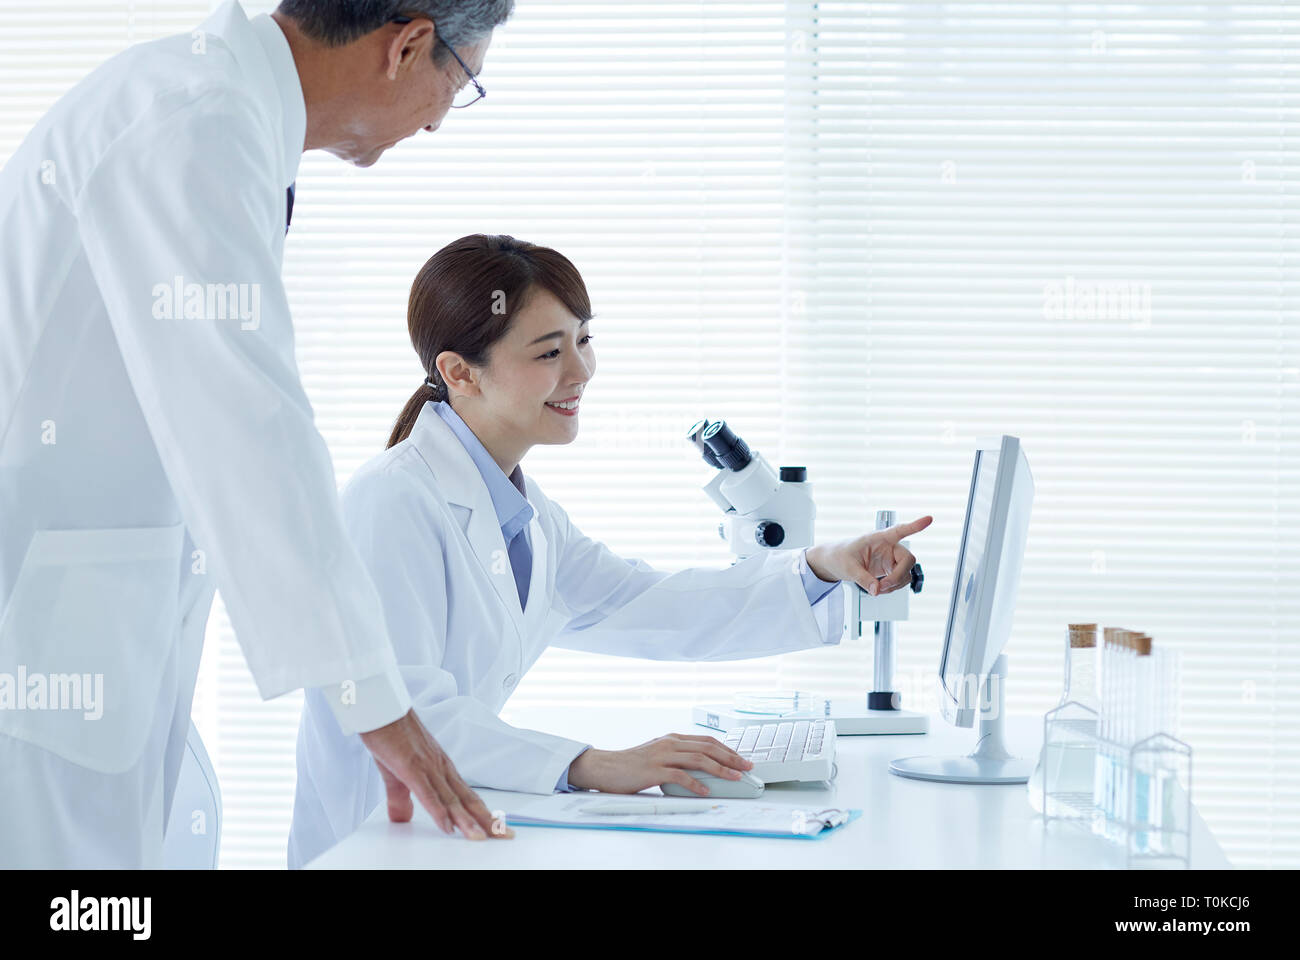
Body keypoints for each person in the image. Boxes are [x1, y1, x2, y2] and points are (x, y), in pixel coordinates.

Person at [0, 1, 517, 868]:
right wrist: (376, 700)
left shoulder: (219, 112)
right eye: (458, 85)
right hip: (47, 620)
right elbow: (251, 426)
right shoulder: (192, 121)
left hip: (90, 603)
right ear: (409, 45)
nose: (435, 121)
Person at [287, 234, 933, 867]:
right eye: (548, 353)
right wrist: (590, 765)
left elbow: (646, 602)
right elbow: (408, 716)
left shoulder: (524, 510)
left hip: (443, 832)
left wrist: (822, 566)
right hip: (369, 841)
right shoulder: (392, 503)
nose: (581, 372)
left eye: (584, 340)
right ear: (459, 372)